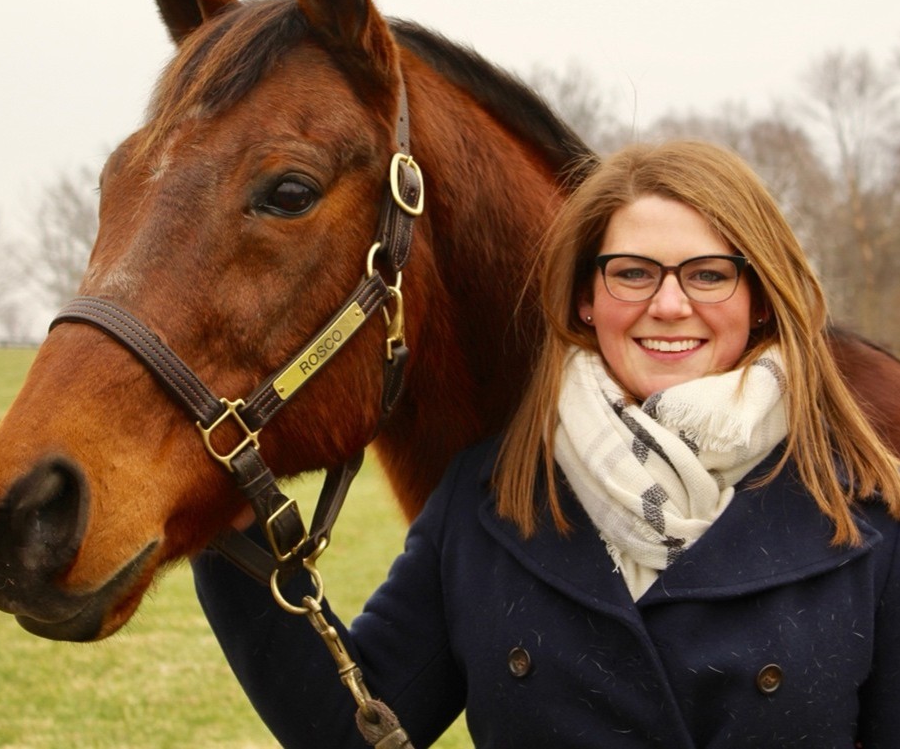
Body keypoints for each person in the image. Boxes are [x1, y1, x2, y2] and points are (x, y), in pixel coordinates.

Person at [193, 139, 900, 748]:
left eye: (707, 273)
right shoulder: (489, 497)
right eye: (632, 272)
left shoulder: (863, 502)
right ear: (586, 298)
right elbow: (351, 727)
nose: (669, 303)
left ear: (757, 298)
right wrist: (229, 524)